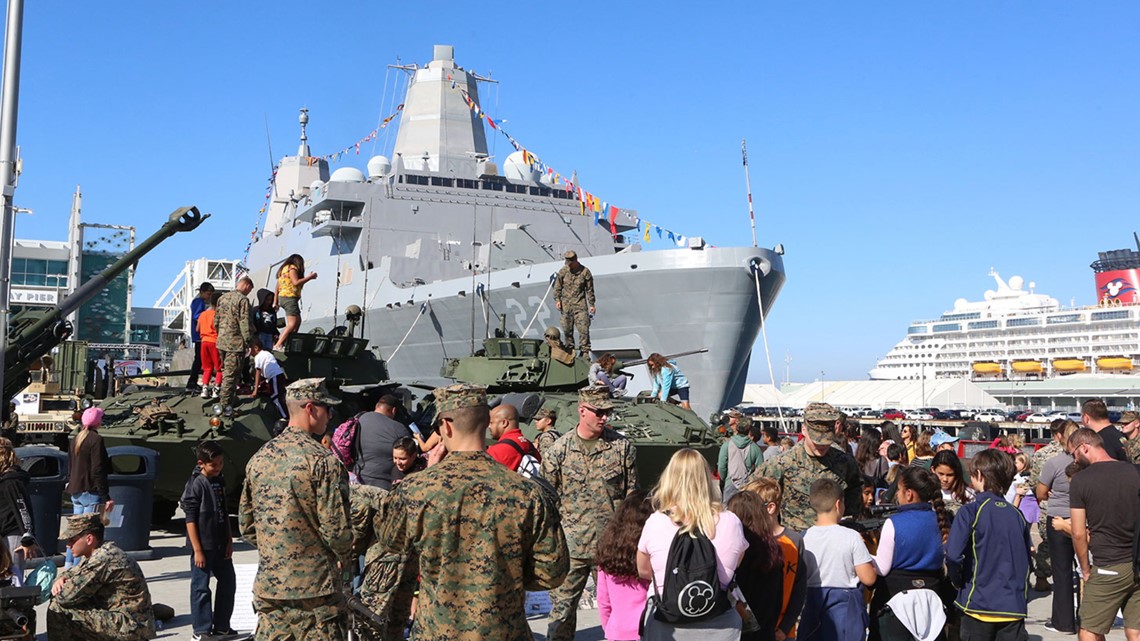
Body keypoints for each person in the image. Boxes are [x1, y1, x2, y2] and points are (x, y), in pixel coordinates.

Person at [377, 383, 570, 641]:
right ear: (486, 423)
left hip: (438, 632)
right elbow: (552, 572)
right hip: (505, 632)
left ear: (446, 426)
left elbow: (391, 542)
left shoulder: (415, 490)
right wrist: (505, 574)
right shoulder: (526, 492)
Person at [238, 378, 353, 639]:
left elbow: (247, 526)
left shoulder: (260, 458)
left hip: (270, 588)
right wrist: (343, 559)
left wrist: (279, 552)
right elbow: (337, 532)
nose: (330, 416)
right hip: (316, 594)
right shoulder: (323, 461)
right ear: (310, 408)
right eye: (327, 409)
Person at [543, 386, 639, 641]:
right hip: (571, 548)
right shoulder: (558, 452)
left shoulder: (621, 448)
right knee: (562, 612)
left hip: (610, 548)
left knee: (620, 612)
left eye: (608, 412)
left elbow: (631, 499)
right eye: (599, 412)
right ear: (582, 410)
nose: (604, 417)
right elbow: (548, 503)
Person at [636, 448, 748, 640]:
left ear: (669, 478)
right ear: (706, 479)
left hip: (666, 625)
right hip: (720, 626)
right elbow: (737, 563)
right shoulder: (731, 521)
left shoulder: (656, 522)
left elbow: (644, 570)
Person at [946, 449, 1032, 641]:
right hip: (1013, 606)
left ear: (979, 475)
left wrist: (958, 581)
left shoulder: (971, 511)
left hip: (978, 604)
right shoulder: (1016, 515)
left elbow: (952, 555)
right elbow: (1026, 560)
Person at [1069, 427, 1140, 641]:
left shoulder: (1081, 481)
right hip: (1137, 560)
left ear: (1084, 447)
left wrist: (1085, 569)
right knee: (1136, 630)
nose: (1074, 460)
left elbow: (1078, 533)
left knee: (1089, 631)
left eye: (1074, 454)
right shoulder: (1135, 471)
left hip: (1109, 564)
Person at [749, 402, 863, 532]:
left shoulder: (844, 462)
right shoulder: (782, 463)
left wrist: (847, 520)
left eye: (826, 440)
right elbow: (749, 496)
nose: (821, 445)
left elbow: (855, 490)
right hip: (796, 539)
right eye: (816, 440)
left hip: (832, 537)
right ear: (804, 429)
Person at [869, 466, 951, 641]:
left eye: (899, 490)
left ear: (909, 494)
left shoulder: (893, 522)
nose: (897, 495)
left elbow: (882, 568)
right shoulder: (941, 521)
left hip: (896, 602)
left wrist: (864, 556)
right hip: (932, 601)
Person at [47, 513, 156, 641]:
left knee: (58, 608)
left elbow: (65, 597)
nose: (68, 545)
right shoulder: (98, 551)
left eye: (72, 540)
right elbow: (74, 572)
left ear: (89, 539)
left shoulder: (103, 558)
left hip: (130, 625)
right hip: (127, 619)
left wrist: (59, 586)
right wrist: (61, 578)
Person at [799, 478, 876, 641]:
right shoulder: (852, 537)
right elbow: (869, 578)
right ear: (838, 504)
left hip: (812, 606)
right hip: (845, 609)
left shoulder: (803, 538)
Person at [181, 440, 236, 640]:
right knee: (201, 587)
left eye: (221, 463)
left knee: (228, 583)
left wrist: (229, 540)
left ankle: (222, 626)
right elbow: (190, 519)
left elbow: (224, 512)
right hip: (204, 545)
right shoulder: (196, 484)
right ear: (201, 463)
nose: (218, 467)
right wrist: (197, 550)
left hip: (221, 542)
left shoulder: (219, 480)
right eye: (213, 464)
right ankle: (201, 630)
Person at [742, 477, 806, 641]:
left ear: (770, 507)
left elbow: (799, 589)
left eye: (752, 507)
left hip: (782, 631)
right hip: (752, 630)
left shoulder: (794, 541)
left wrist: (784, 628)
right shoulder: (746, 540)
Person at [1035, 420, 1078, 635]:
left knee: (1062, 572)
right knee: (1085, 571)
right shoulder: (1087, 463)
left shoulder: (1054, 463)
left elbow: (1041, 492)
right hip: (1083, 517)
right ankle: (1087, 619)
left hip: (1059, 516)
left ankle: (1064, 622)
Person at [726, 491, 785, 641]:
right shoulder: (774, 550)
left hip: (737, 630)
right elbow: (778, 598)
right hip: (765, 629)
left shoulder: (734, 551)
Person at [595, 490, 652, 641]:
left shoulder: (607, 553)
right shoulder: (650, 553)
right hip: (649, 628)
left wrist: (609, 629)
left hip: (617, 631)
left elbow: (603, 599)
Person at [65, 407, 112, 570]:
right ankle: (79, 569)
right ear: (98, 422)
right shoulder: (96, 439)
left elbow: (70, 465)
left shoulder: (76, 438)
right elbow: (98, 469)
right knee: (87, 533)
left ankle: (68, 567)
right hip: (90, 491)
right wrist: (106, 496)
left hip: (76, 490)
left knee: (75, 532)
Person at [1028, 418, 1071, 592]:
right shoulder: (1073, 451)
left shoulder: (1041, 454)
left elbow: (1033, 482)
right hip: (1073, 504)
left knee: (1048, 544)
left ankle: (1042, 576)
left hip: (1049, 504)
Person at [215, 277, 256, 411]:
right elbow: (244, 322)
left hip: (222, 342)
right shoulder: (242, 300)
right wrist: (249, 341)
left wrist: (221, 334)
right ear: (247, 286)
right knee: (231, 374)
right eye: (250, 289)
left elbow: (216, 321)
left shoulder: (222, 298)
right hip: (235, 343)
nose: (249, 292)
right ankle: (225, 404)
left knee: (226, 372)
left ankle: (230, 398)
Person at [356, 393, 413, 490]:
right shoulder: (398, 428)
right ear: (394, 410)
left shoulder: (358, 418)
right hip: (383, 486)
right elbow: (410, 454)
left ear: (376, 406)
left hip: (356, 480)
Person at [0, 438, 32, 584]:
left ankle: (18, 597)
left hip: (13, 532)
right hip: (4, 531)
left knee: (14, 574)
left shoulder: (11, 480)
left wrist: (27, 536)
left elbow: (22, 508)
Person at [553, 250, 595, 357]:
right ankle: (569, 351)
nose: (569, 265)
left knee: (584, 330)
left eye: (570, 263)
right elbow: (557, 287)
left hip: (580, 306)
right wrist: (557, 300)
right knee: (567, 330)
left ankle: (585, 352)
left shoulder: (585, 272)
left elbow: (590, 290)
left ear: (575, 260)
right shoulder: (563, 271)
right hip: (566, 306)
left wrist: (592, 305)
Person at [273, 254, 318, 351]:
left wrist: (275, 302)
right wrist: (310, 277)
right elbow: (296, 282)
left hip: (285, 298)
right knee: (292, 323)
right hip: (289, 298)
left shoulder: (284, 271)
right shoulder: (292, 268)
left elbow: (277, 288)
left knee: (298, 321)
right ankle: (278, 344)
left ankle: (289, 342)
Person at [719, 409, 763, 499]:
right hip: (748, 485)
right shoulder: (756, 448)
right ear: (749, 430)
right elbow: (761, 470)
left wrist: (724, 479)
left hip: (730, 482)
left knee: (728, 507)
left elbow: (721, 467)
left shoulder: (726, 445)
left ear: (737, 428)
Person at [486, 403, 540, 472]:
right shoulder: (529, 445)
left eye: (491, 423)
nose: (489, 426)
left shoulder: (497, 450)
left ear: (504, 423)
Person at [186, 282, 215, 394]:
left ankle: (193, 382)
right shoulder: (198, 302)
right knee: (199, 359)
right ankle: (192, 382)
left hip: (200, 336)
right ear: (202, 292)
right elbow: (197, 316)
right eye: (208, 294)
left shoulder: (199, 302)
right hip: (200, 336)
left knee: (200, 359)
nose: (209, 297)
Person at [249, 342, 287, 419]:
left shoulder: (258, 356)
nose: (249, 353)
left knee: (276, 397)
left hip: (274, 376)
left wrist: (255, 390)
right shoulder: (267, 353)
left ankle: (285, 417)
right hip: (279, 375)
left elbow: (258, 372)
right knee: (281, 396)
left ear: (256, 348)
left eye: (250, 349)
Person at [931, 449, 973, 515]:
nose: (945, 479)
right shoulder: (926, 493)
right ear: (933, 470)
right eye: (941, 474)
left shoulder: (967, 494)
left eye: (950, 475)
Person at [197, 291, 222, 399]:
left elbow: (197, 329)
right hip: (215, 342)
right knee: (220, 368)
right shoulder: (219, 315)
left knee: (207, 368)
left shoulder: (203, 314)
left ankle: (205, 389)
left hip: (204, 342)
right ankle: (216, 389)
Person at [1006, 452, 1039, 524]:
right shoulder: (1025, 476)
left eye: (1016, 463)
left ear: (1024, 463)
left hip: (1023, 507)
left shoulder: (1022, 478)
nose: (1013, 465)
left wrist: (1013, 511)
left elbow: (1018, 495)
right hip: (1025, 506)